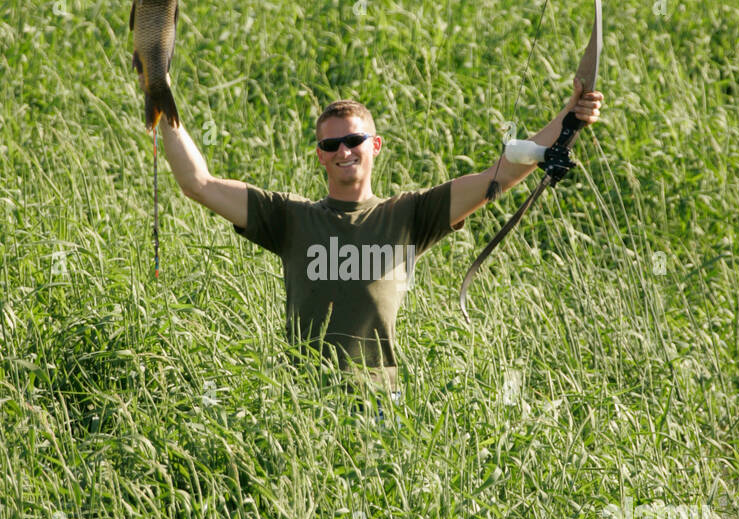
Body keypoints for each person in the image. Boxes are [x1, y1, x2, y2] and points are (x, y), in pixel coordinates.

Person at [157, 81, 603, 393]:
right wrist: (160, 91)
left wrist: (568, 118)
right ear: (320, 157)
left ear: (375, 145)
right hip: (301, 400)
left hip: (379, 405)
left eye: (353, 139)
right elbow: (198, 183)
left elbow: (499, 176)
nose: (343, 151)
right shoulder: (289, 217)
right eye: (330, 145)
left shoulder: (409, 214)